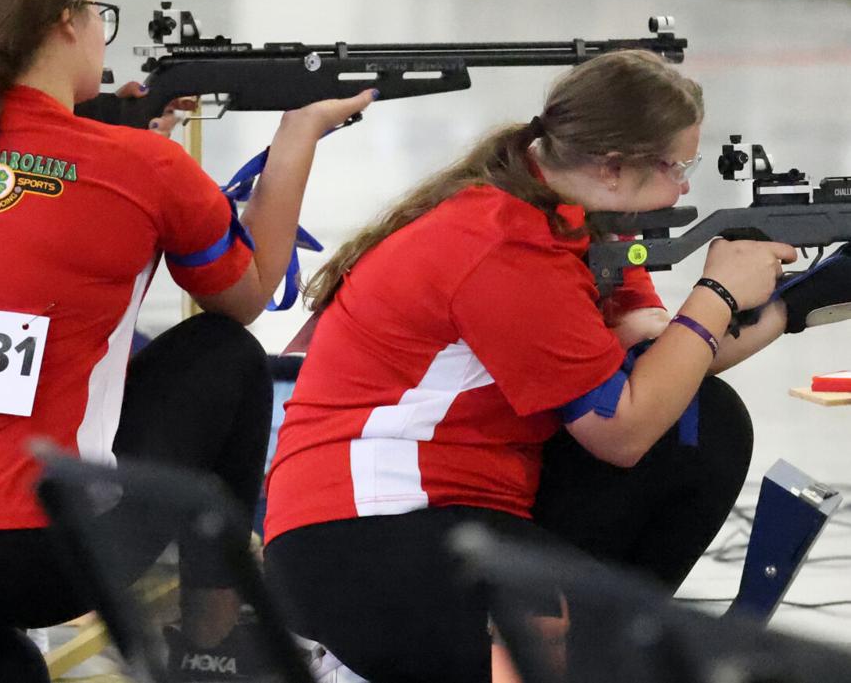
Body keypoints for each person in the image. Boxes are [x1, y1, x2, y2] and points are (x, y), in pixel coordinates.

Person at [0, 0, 373, 683]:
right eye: (97, 16)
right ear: (65, 22)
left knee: (5, 664)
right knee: (224, 355)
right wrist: (296, 136)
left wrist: (115, 130)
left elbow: (32, 174)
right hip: (30, 555)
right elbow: (246, 295)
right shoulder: (147, 167)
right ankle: (212, 637)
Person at [260, 49, 826, 682]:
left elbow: (664, 357)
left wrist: (798, 305)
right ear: (613, 168)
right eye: (676, 166)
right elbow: (621, 430)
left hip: (467, 500)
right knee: (571, 620)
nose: (686, 186)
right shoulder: (507, 246)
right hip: (365, 533)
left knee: (704, 424)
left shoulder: (576, 219)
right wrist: (716, 292)